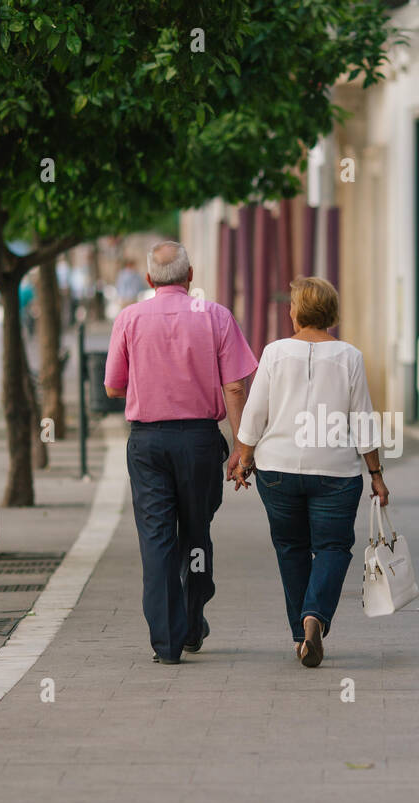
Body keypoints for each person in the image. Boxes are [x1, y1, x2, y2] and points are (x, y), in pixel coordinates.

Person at [104, 241, 258, 664]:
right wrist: (243, 447)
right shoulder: (215, 317)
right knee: (195, 533)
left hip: (148, 443)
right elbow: (234, 386)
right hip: (199, 442)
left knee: (156, 542)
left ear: (150, 280)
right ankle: (191, 622)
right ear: (190, 277)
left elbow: (114, 387)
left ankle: (167, 642)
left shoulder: (130, 319)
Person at [230, 276, 389, 668]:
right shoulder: (350, 356)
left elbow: (255, 412)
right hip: (335, 471)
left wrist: (243, 457)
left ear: (296, 312)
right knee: (333, 547)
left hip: (278, 468)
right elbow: (363, 422)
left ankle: (302, 636)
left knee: (291, 548)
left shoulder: (274, 352)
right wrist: (377, 475)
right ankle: (314, 617)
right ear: (331, 314)